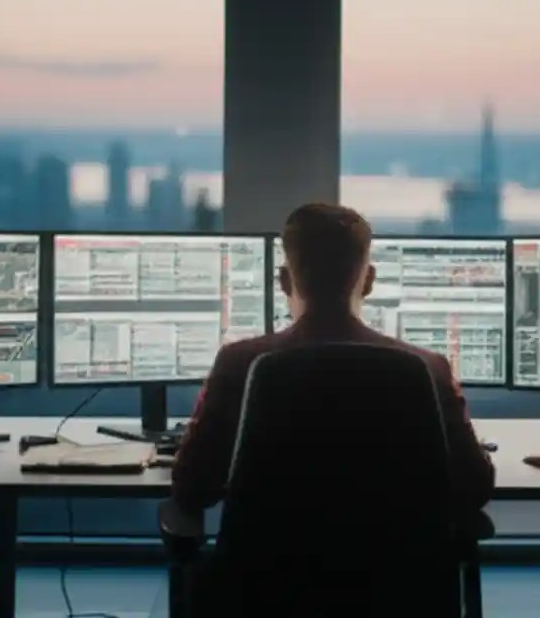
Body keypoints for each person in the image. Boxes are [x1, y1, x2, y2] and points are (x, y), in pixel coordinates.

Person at [171, 202, 495, 515]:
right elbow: (474, 488)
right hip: (396, 570)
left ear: (285, 280)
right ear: (368, 280)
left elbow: (192, 487)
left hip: (268, 570)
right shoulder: (428, 369)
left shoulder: (238, 363)